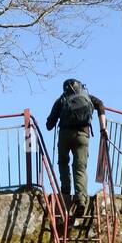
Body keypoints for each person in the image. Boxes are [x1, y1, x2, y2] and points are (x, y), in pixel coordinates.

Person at [46, 79, 107, 218]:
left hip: (65, 135)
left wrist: (55, 119)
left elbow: (49, 125)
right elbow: (101, 105)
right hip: (82, 135)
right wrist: (103, 128)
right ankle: (81, 200)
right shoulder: (87, 97)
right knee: (80, 167)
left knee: (63, 164)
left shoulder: (61, 100)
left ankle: (66, 194)